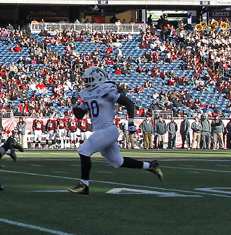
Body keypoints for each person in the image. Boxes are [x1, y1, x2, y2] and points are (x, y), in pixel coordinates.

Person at [67, 66, 164, 196]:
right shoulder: (87, 94)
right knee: (117, 162)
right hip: (101, 132)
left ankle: (84, 185)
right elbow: (79, 115)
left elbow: (128, 103)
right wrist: (74, 105)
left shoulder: (106, 90)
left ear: (97, 79)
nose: (86, 83)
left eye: (88, 80)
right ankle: (150, 165)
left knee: (84, 150)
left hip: (108, 130)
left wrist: (131, 122)